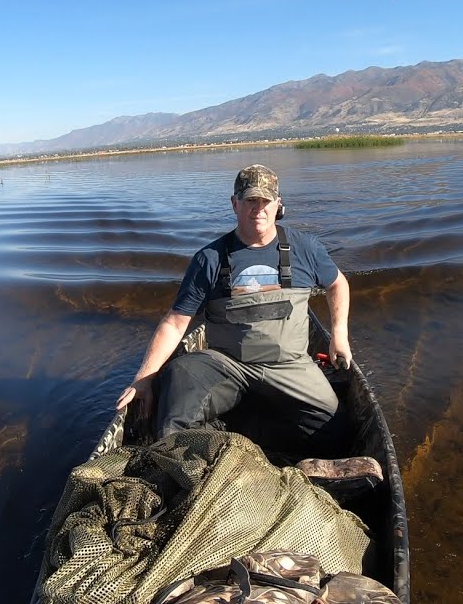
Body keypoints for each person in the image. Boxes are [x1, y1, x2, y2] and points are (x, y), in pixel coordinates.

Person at [115, 163, 353, 450]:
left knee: (336, 428)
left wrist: (339, 334)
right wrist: (144, 378)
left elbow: (337, 284)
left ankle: (244, 433)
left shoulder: (306, 247)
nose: (259, 208)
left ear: (278, 205)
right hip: (227, 366)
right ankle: (197, 454)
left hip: (290, 367)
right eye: (250, 200)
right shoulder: (209, 258)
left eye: (266, 201)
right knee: (178, 380)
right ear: (234, 204)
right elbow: (175, 322)